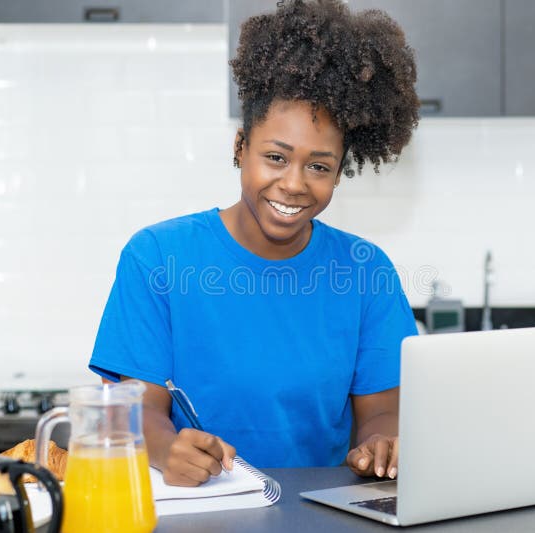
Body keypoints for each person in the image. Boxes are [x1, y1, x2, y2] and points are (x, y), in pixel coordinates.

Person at [89, 0, 420, 487]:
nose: (294, 183)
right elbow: (139, 409)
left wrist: (381, 445)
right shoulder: (157, 257)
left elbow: (383, 411)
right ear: (241, 147)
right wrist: (165, 447)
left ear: (339, 172)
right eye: (275, 156)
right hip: (202, 508)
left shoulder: (367, 271)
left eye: (320, 166)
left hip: (322, 515)